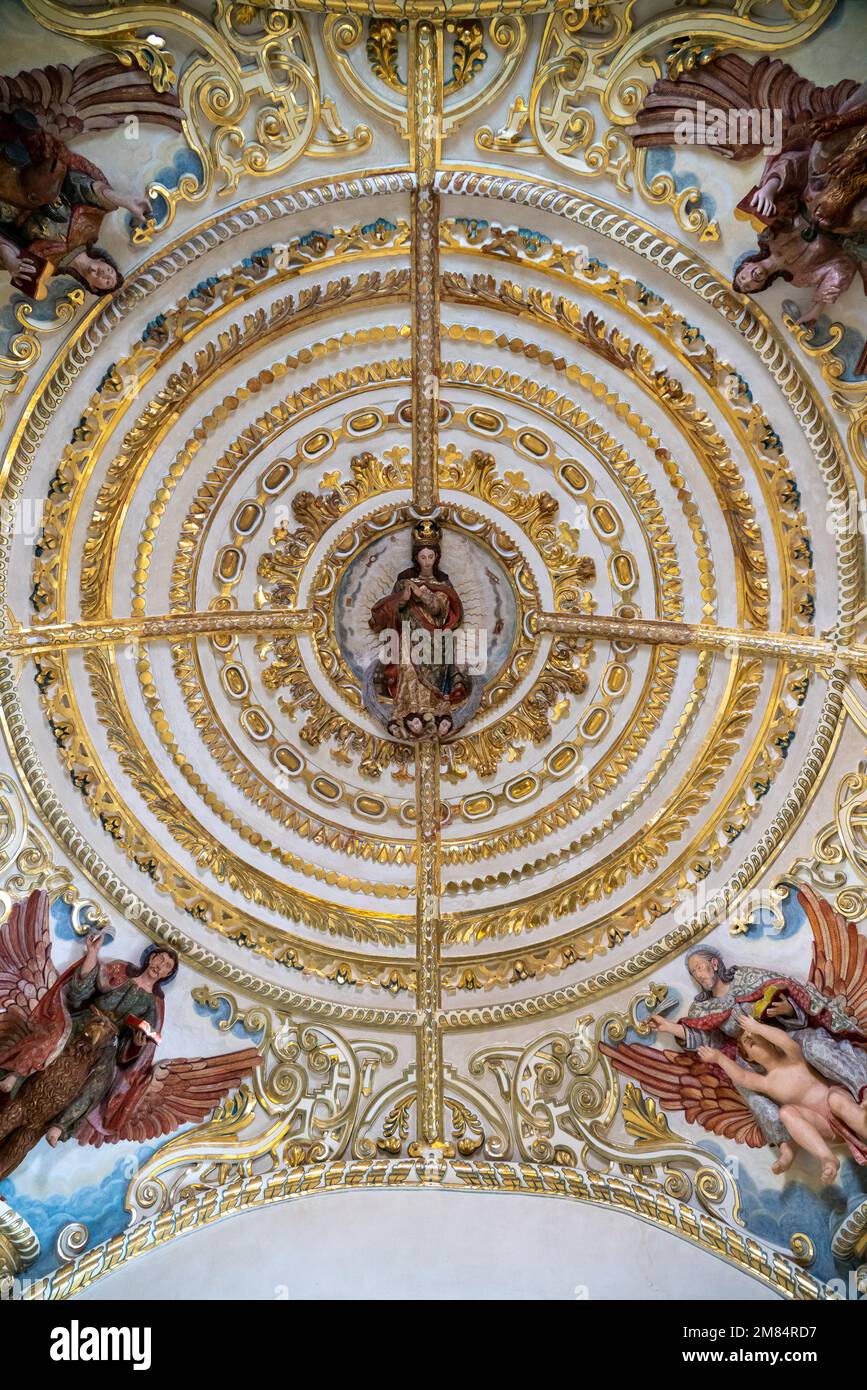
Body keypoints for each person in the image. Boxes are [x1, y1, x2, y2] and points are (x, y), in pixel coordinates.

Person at [699, 1014, 867, 1184]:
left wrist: (757, 1027)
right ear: (749, 1057)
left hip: (843, 1106)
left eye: (753, 1035)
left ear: (768, 1039)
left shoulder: (793, 1058)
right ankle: (826, 1158)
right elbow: (741, 1076)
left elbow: (784, 1040)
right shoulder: (766, 1082)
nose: (750, 1037)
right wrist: (719, 1058)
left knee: (836, 1100)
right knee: (786, 1113)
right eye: (748, 1042)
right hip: (826, 1127)